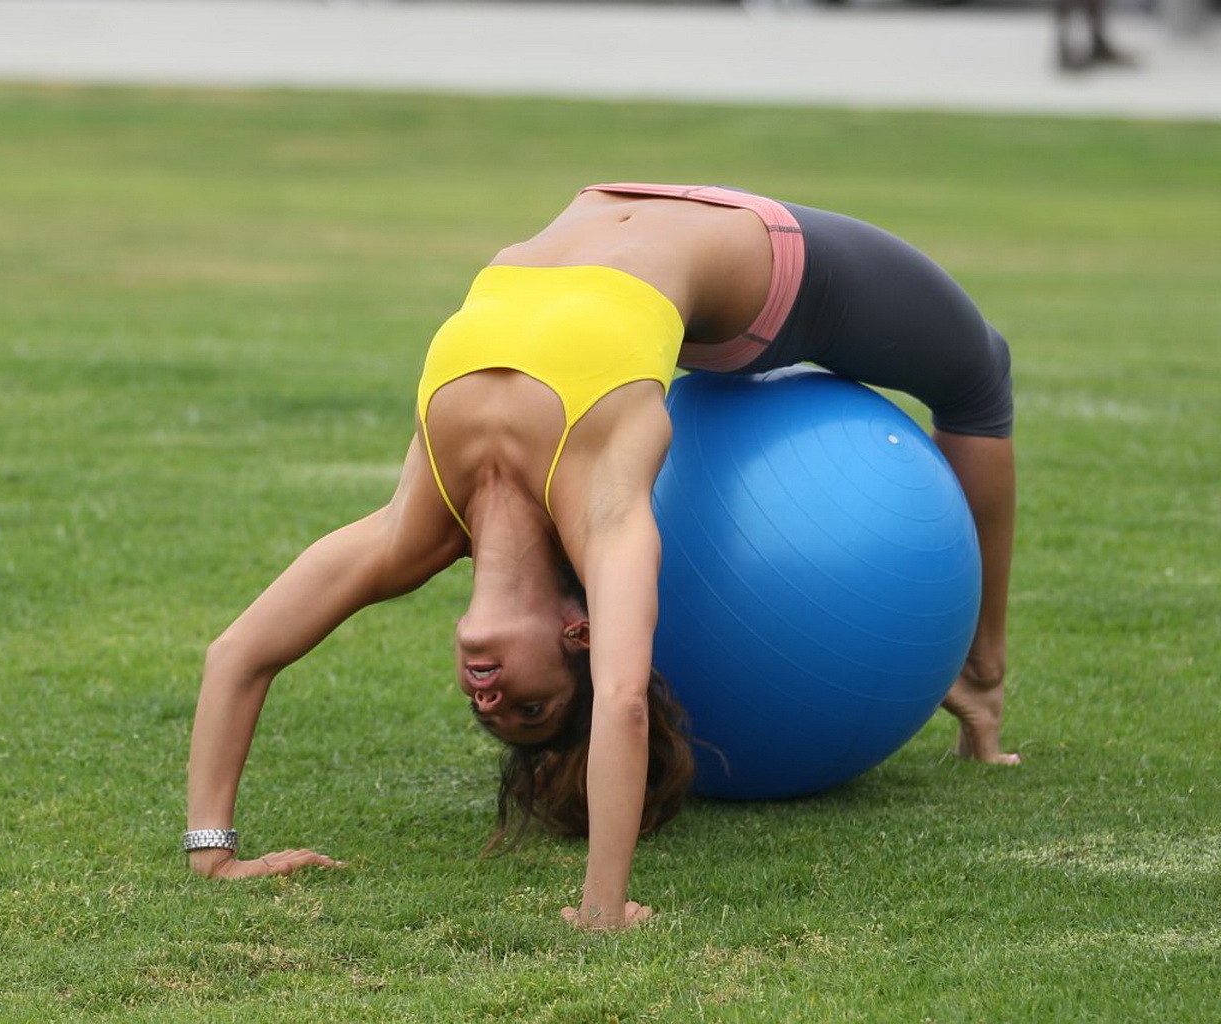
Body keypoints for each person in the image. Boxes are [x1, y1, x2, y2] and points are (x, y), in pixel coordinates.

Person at [184, 183, 1019, 930]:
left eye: (489, 715)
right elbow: (621, 700)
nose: (490, 703)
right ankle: (980, 681)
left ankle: (975, 685)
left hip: (609, 208)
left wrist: (211, 853)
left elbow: (239, 655)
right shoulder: (606, 512)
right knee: (979, 375)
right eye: (531, 711)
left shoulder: (419, 523)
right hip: (753, 266)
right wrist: (603, 905)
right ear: (578, 631)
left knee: (972, 370)